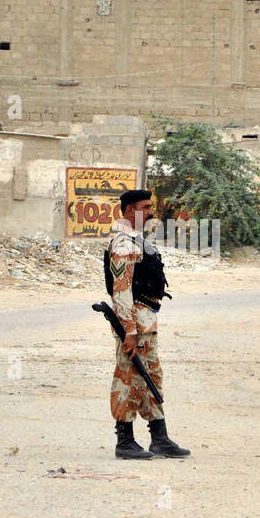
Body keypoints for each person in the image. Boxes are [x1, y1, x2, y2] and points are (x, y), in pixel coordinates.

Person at [104, 189, 188, 460]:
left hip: (147, 319)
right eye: (146, 207)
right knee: (128, 378)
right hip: (134, 323)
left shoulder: (137, 241)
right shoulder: (123, 244)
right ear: (130, 211)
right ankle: (125, 441)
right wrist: (128, 330)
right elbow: (121, 290)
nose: (151, 211)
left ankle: (159, 438)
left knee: (151, 377)